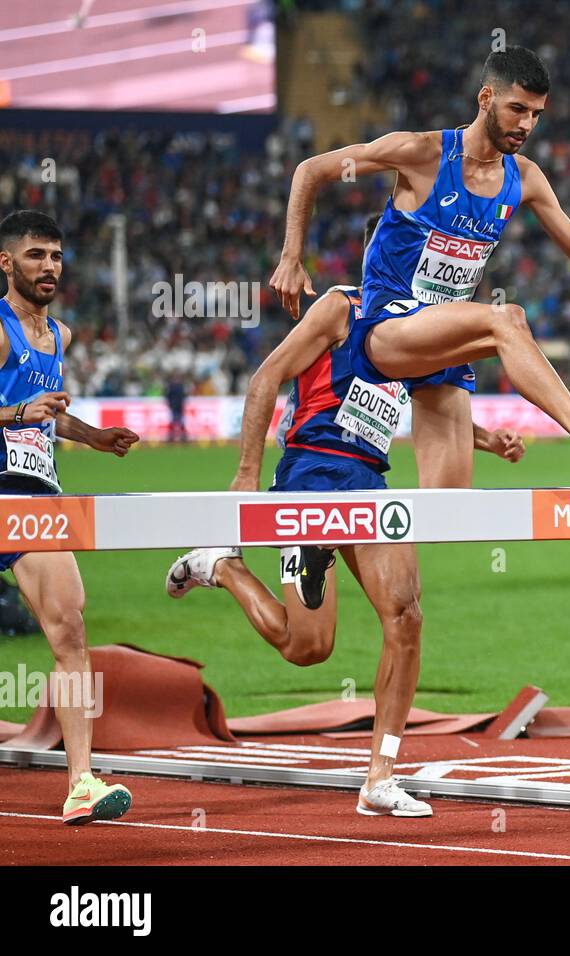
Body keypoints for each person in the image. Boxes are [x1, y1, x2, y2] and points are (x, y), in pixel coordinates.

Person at [166, 218, 524, 817]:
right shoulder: (341, 308)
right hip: (311, 478)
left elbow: (412, 414)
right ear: (379, 255)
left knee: (406, 615)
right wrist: (246, 477)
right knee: (309, 649)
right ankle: (222, 567)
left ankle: (379, 776)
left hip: (369, 483)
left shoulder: (414, 334)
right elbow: (266, 377)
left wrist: (486, 441)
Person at [269, 45, 570, 485]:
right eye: (517, 109)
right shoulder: (421, 153)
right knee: (507, 320)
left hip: (443, 345)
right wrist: (291, 258)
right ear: (485, 99)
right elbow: (310, 170)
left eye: (536, 114)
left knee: (450, 511)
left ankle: (329, 548)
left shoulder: (525, 179)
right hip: (388, 328)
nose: (526, 124)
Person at [0, 210, 140, 823]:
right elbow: (24, 411)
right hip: (5, 493)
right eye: (35, 255)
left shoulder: (59, 337)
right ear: (6, 263)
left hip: (39, 497)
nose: (49, 266)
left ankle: (80, 780)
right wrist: (17, 414)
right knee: (70, 631)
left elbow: (46, 415)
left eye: (55, 256)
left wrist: (92, 435)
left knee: (70, 630)